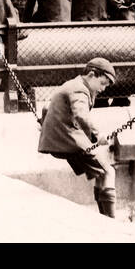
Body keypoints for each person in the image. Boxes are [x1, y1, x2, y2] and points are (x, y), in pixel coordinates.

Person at [37, 57, 120, 218]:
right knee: (109, 171)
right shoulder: (79, 90)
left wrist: (45, 124)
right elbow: (81, 115)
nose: (103, 89)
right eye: (103, 83)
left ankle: (105, 219)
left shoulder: (74, 85)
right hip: (68, 139)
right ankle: (111, 221)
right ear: (91, 74)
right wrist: (97, 135)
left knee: (101, 173)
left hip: (60, 138)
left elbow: (48, 107)